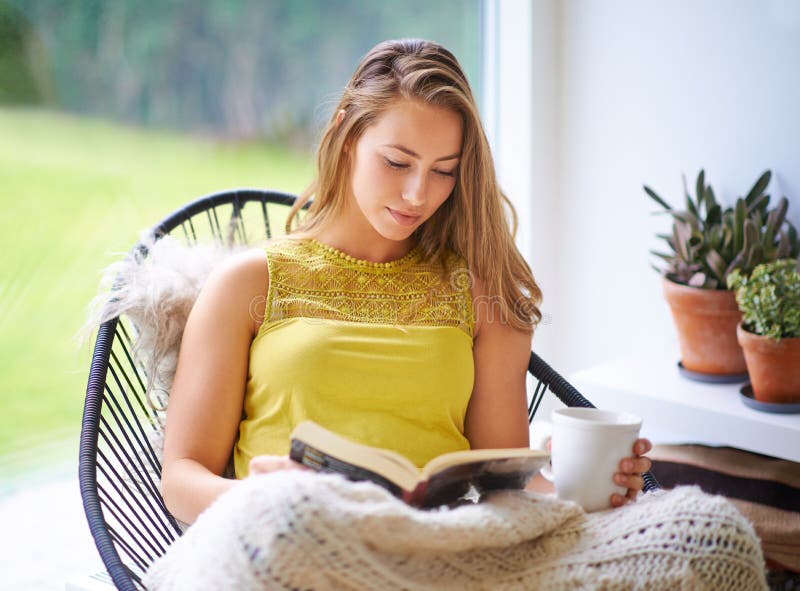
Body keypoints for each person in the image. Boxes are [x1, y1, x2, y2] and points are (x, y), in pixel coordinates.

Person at [160, 38, 652, 526]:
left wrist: (592, 490)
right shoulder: (248, 283)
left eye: (443, 171)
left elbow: (508, 490)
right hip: (284, 542)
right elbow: (183, 478)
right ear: (347, 135)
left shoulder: (481, 295)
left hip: (435, 551)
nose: (418, 194)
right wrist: (260, 501)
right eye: (397, 162)